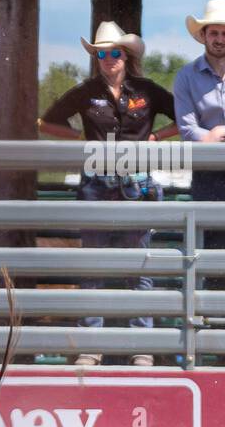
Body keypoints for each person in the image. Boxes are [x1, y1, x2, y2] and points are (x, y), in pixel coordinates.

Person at [39, 22, 178, 367]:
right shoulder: (86, 92)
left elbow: (184, 117)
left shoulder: (146, 90)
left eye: (114, 52)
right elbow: (47, 122)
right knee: (93, 269)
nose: (109, 59)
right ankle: (91, 346)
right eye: (102, 54)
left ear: (126, 56)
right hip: (97, 183)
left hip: (136, 185)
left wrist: (156, 137)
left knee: (139, 269)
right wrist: (80, 139)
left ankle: (141, 346)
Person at [173, 0, 225, 256]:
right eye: (213, 33)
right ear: (203, 35)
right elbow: (188, 129)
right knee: (209, 245)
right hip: (208, 172)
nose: (219, 39)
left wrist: (222, 133)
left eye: (224, 33)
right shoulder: (186, 76)